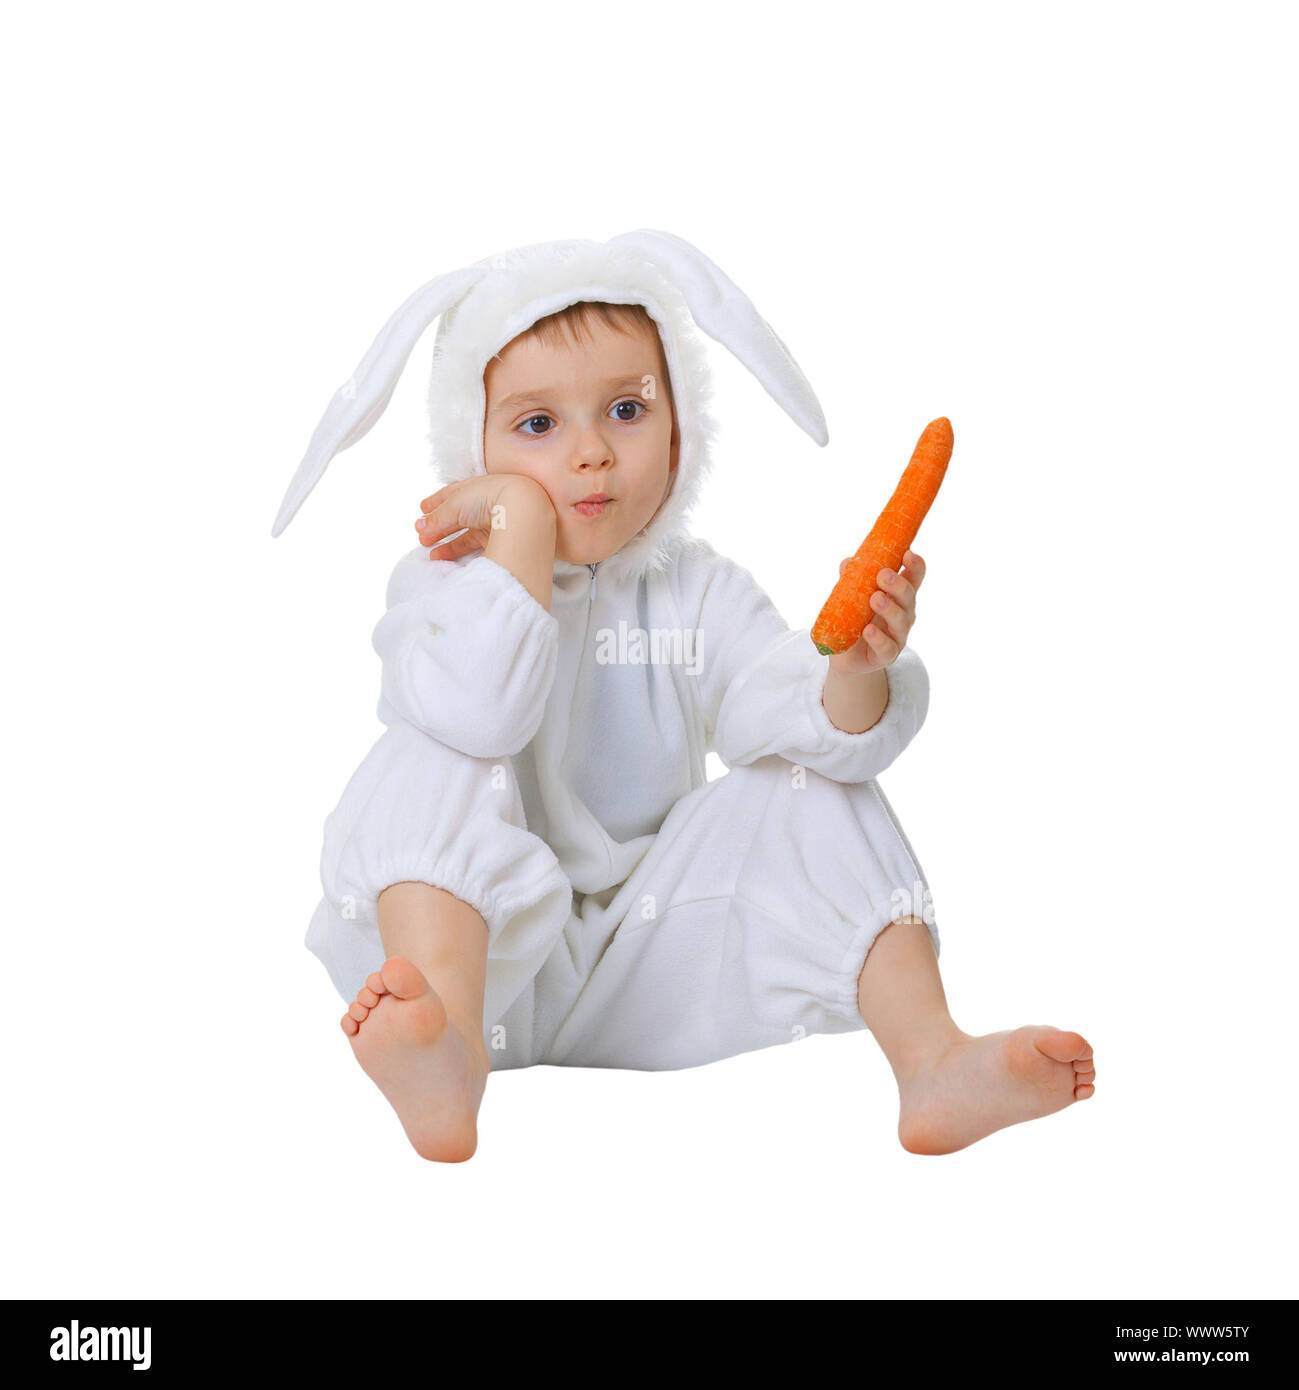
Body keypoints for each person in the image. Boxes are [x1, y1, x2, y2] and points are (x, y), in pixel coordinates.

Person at [273, 231, 1095, 1162]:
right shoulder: (443, 584)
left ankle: (932, 1057)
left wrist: (852, 669)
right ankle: (449, 1059)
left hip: (650, 964)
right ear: (476, 450)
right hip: (483, 975)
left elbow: (787, 715)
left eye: (624, 409)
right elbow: (480, 715)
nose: (588, 454)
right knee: (425, 754)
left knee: (810, 780)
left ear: (678, 431)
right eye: (537, 427)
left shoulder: (693, 589)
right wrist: (522, 536)